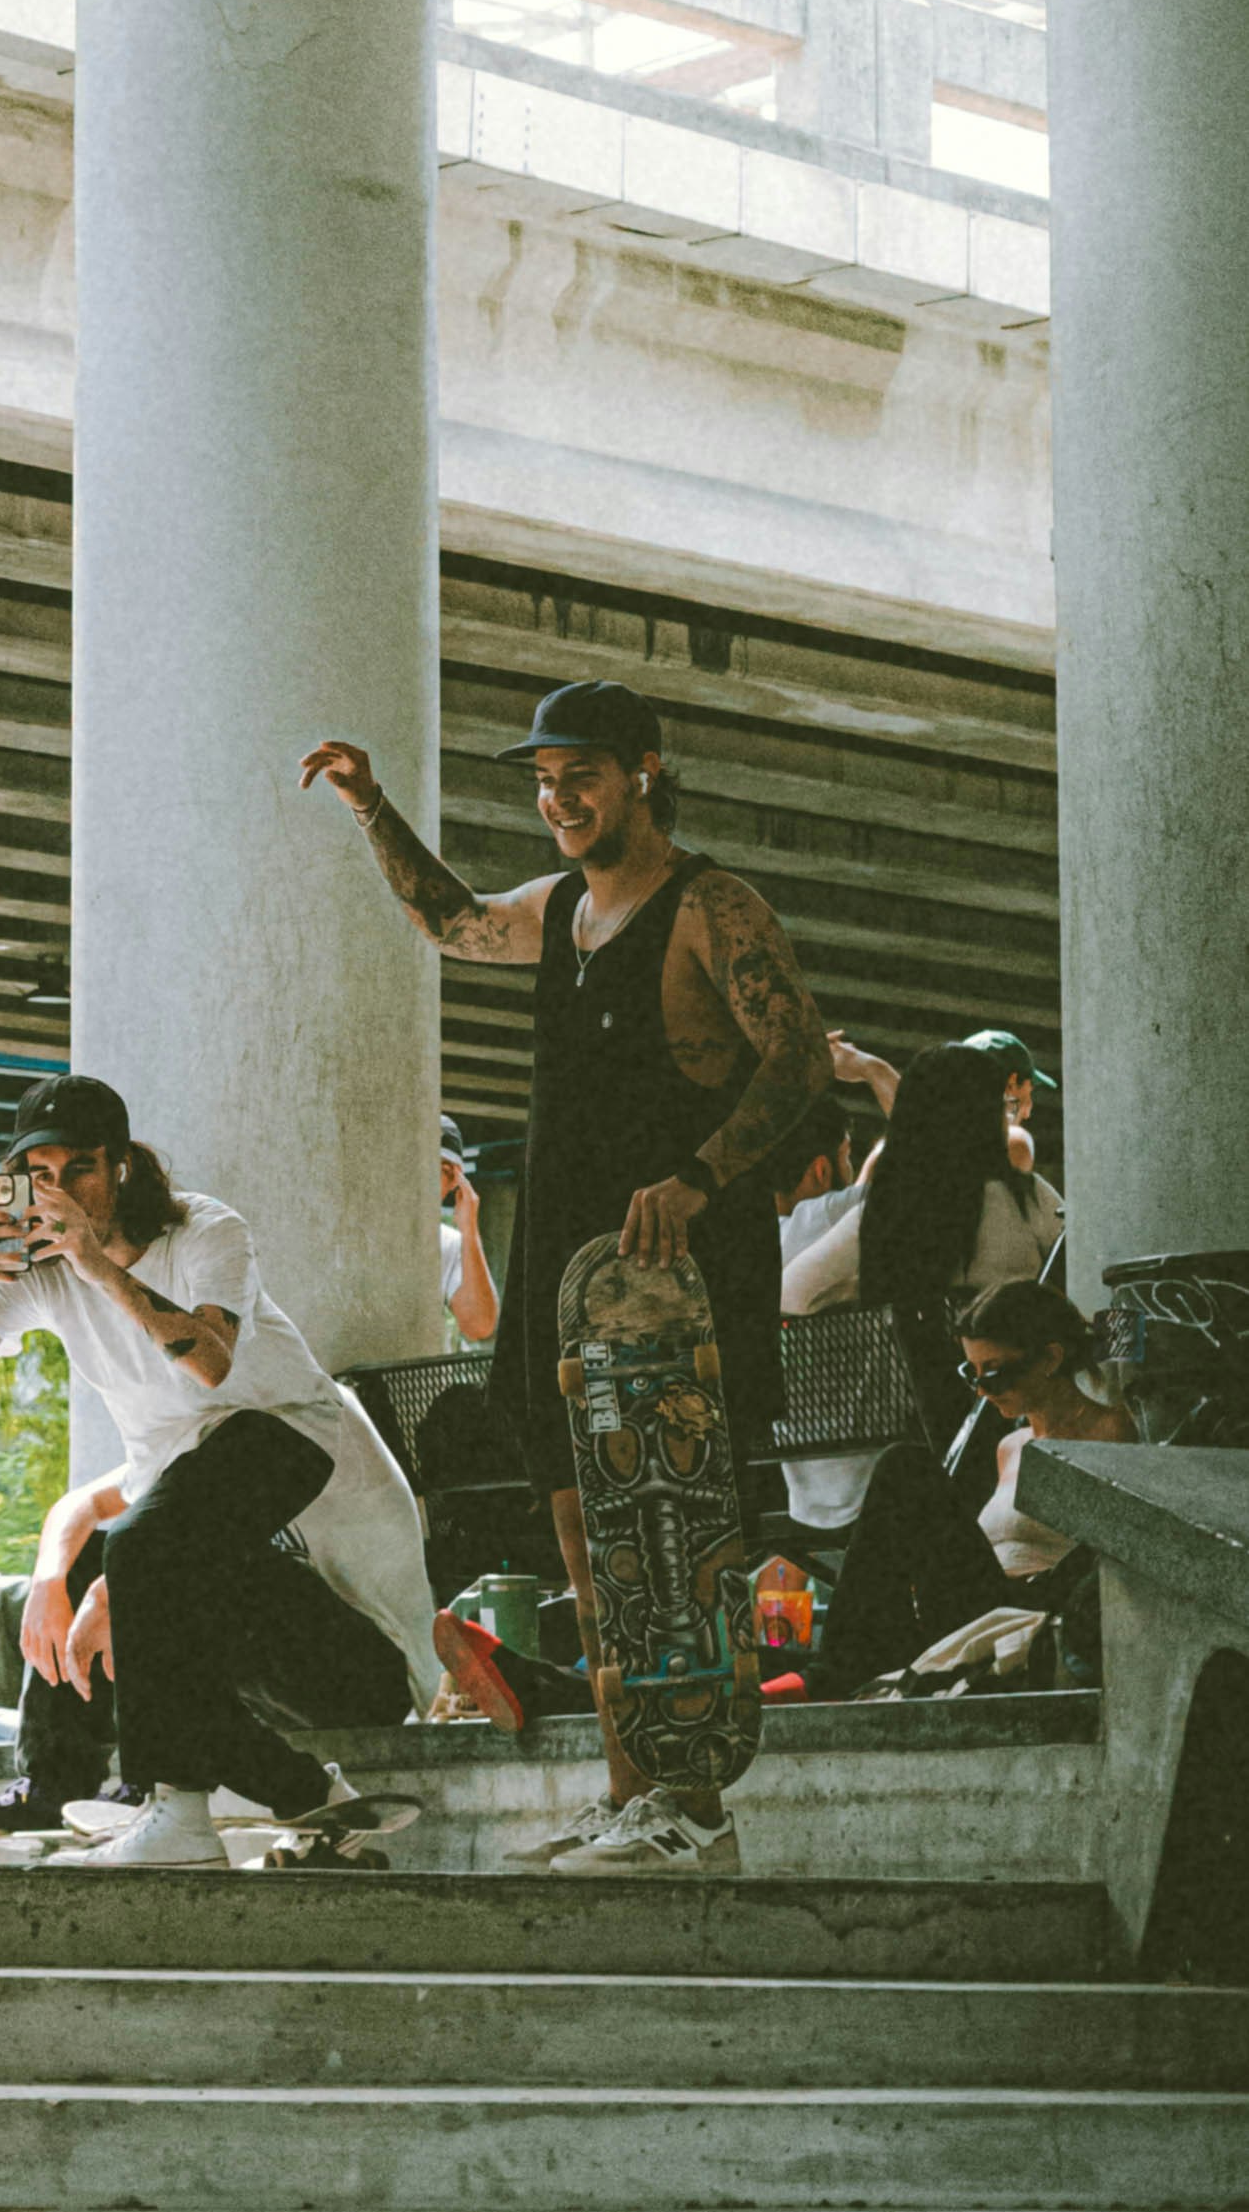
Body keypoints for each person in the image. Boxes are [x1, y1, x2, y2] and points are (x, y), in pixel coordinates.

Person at [308, 678, 831, 1876]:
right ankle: (633, 1792)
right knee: (587, 1546)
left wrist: (702, 1177)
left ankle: (697, 1807)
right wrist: (372, 806)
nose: (558, 799)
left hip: (674, 1275)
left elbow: (798, 1057)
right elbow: (448, 921)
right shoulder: (557, 913)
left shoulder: (713, 908)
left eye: (581, 774)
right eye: (543, 780)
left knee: (678, 1536)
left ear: (643, 770)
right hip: (561, 1271)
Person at [0, 1071, 437, 1871]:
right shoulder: (48, 1280)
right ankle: (250, 1787)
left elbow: (212, 1365)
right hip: (240, 1592)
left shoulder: (203, 1232)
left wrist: (100, 1269)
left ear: (121, 1165)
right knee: (118, 1558)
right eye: (39, 1177)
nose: (58, 1195)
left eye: (79, 1170)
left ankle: (179, 1813)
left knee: (137, 1557)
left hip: (354, 1640)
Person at [809, 1282, 1130, 1692]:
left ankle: (830, 1674)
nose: (981, 1390)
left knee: (906, 1467)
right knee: (904, 1478)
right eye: (971, 1373)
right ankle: (840, 1667)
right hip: (972, 1609)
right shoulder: (1008, 1447)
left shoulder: (1111, 1431)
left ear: (1051, 1358)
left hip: (1036, 1607)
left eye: (996, 1373)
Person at [791, 1038, 1064, 1430]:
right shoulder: (1027, 1196)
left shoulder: (886, 1212)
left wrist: (858, 1286)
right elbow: (1082, 1261)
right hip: (1022, 1416)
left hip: (918, 1423)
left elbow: (793, 1293)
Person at [440, 1131, 499, 1348]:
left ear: (454, 1180)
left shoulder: (449, 1242)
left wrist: (469, 1228)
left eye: (443, 1171)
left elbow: (479, 1326)